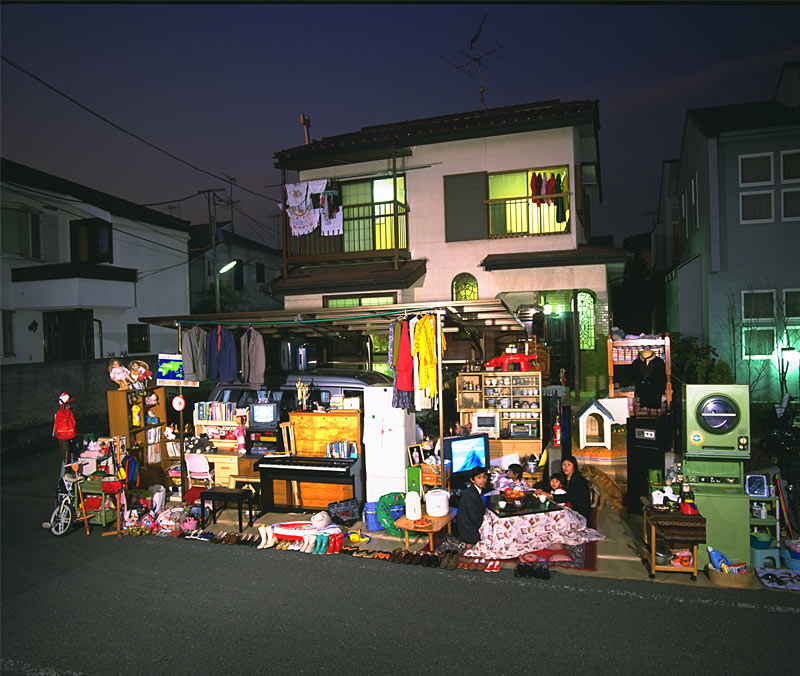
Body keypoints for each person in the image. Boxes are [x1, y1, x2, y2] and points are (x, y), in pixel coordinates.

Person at [535, 455, 591, 523]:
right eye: (564, 464)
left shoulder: (579, 480)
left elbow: (569, 497)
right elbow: (553, 486)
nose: (566, 467)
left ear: (574, 466)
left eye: (569, 465)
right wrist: (542, 490)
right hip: (567, 509)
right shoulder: (565, 477)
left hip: (578, 513)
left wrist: (550, 496)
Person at [455, 466, 488, 545]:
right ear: (472, 480)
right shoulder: (471, 495)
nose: (483, 480)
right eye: (479, 478)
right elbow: (475, 518)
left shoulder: (474, 490)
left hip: (471, 525)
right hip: (469, 531)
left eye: (484, 477)